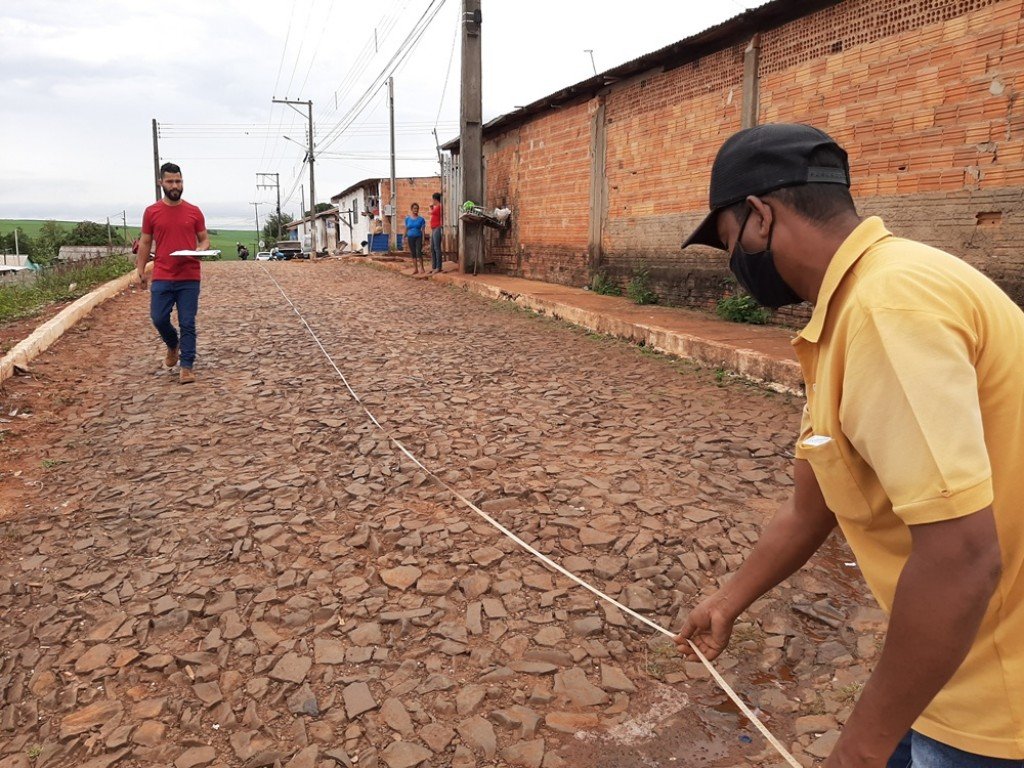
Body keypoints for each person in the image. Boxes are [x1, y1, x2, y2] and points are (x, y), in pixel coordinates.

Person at [676, 123, 1024, 767]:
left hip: (995, 695)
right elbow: (812, 506)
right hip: (945, 669)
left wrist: (861, 747)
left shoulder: (887, 311)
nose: (736, 267)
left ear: (760, 217)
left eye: (731, 245)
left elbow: (963, 559)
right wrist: (727, 601)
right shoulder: (861, 304)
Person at [135, 162, 209, 385]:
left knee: (187, 322)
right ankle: (172, 344)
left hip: (189, 275)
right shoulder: (152, 212)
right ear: (161, 183)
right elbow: (146, 242)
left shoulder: (194, 211)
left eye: (178, 181)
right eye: (170, 181)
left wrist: (201, 249)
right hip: (163, 274)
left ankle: (186, 366)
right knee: (158, 318)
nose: (175, 185)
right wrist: (140, 271)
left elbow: (204, 239)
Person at [405, 203, 426, 274]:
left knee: (419, 252)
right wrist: (404, 237)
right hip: (410, 237)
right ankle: (415, 269)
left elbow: (423, 230)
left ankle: (422, 268)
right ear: (411, 209)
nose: (415, 210)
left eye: (417, 208)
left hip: (418, 237)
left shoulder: (421, 219)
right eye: (414, 208)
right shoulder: (407, 219)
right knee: (413, 253)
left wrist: (423, 239)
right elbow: (406, 228)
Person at [429, 192, 444, 273]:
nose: (432, 201)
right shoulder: (437, 207)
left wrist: (431, 210)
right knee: (432, 248)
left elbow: (437, 215)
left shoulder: (440, 207)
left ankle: (438, 267)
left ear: (435, 199)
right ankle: (434, 266)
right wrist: (432, 209)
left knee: (436, 248)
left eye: (433, 199)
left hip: (437, 228)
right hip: (433, 228)